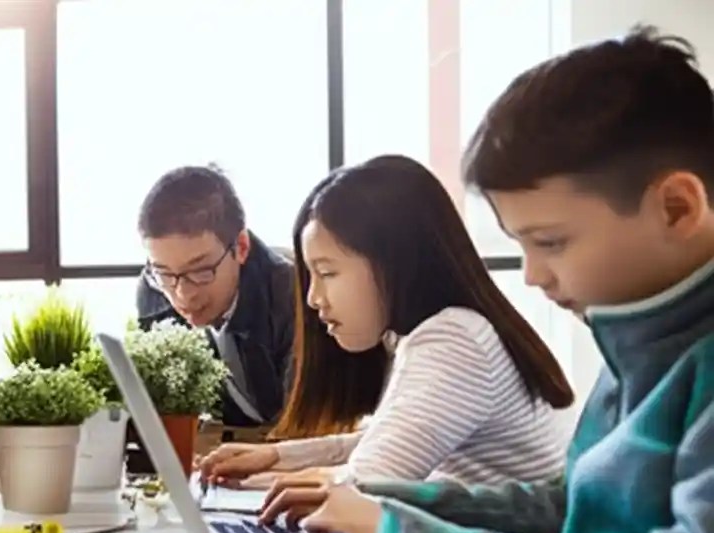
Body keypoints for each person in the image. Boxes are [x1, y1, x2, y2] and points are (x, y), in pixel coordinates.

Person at [259, 27, 714, 533]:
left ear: (676, 209)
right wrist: (386, 499)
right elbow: (568, 506)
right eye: (521, 243)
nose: (532, 274)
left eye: (550, 242)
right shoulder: (635, 333)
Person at [199, 155, 575, 491]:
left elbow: (368, 482)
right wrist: (278, 457)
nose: (313, 298)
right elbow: (384, 439)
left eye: (327, 273)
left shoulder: (455, 341)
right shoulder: (431, 334)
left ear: (392, 263)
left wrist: (253, 485)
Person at [136, 165, 295, 430]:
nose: (183, 295)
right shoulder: (154, 290)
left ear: (241, 247)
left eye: (200, 271)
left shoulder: (294, 297)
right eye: (165, 273)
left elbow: (307, 425)